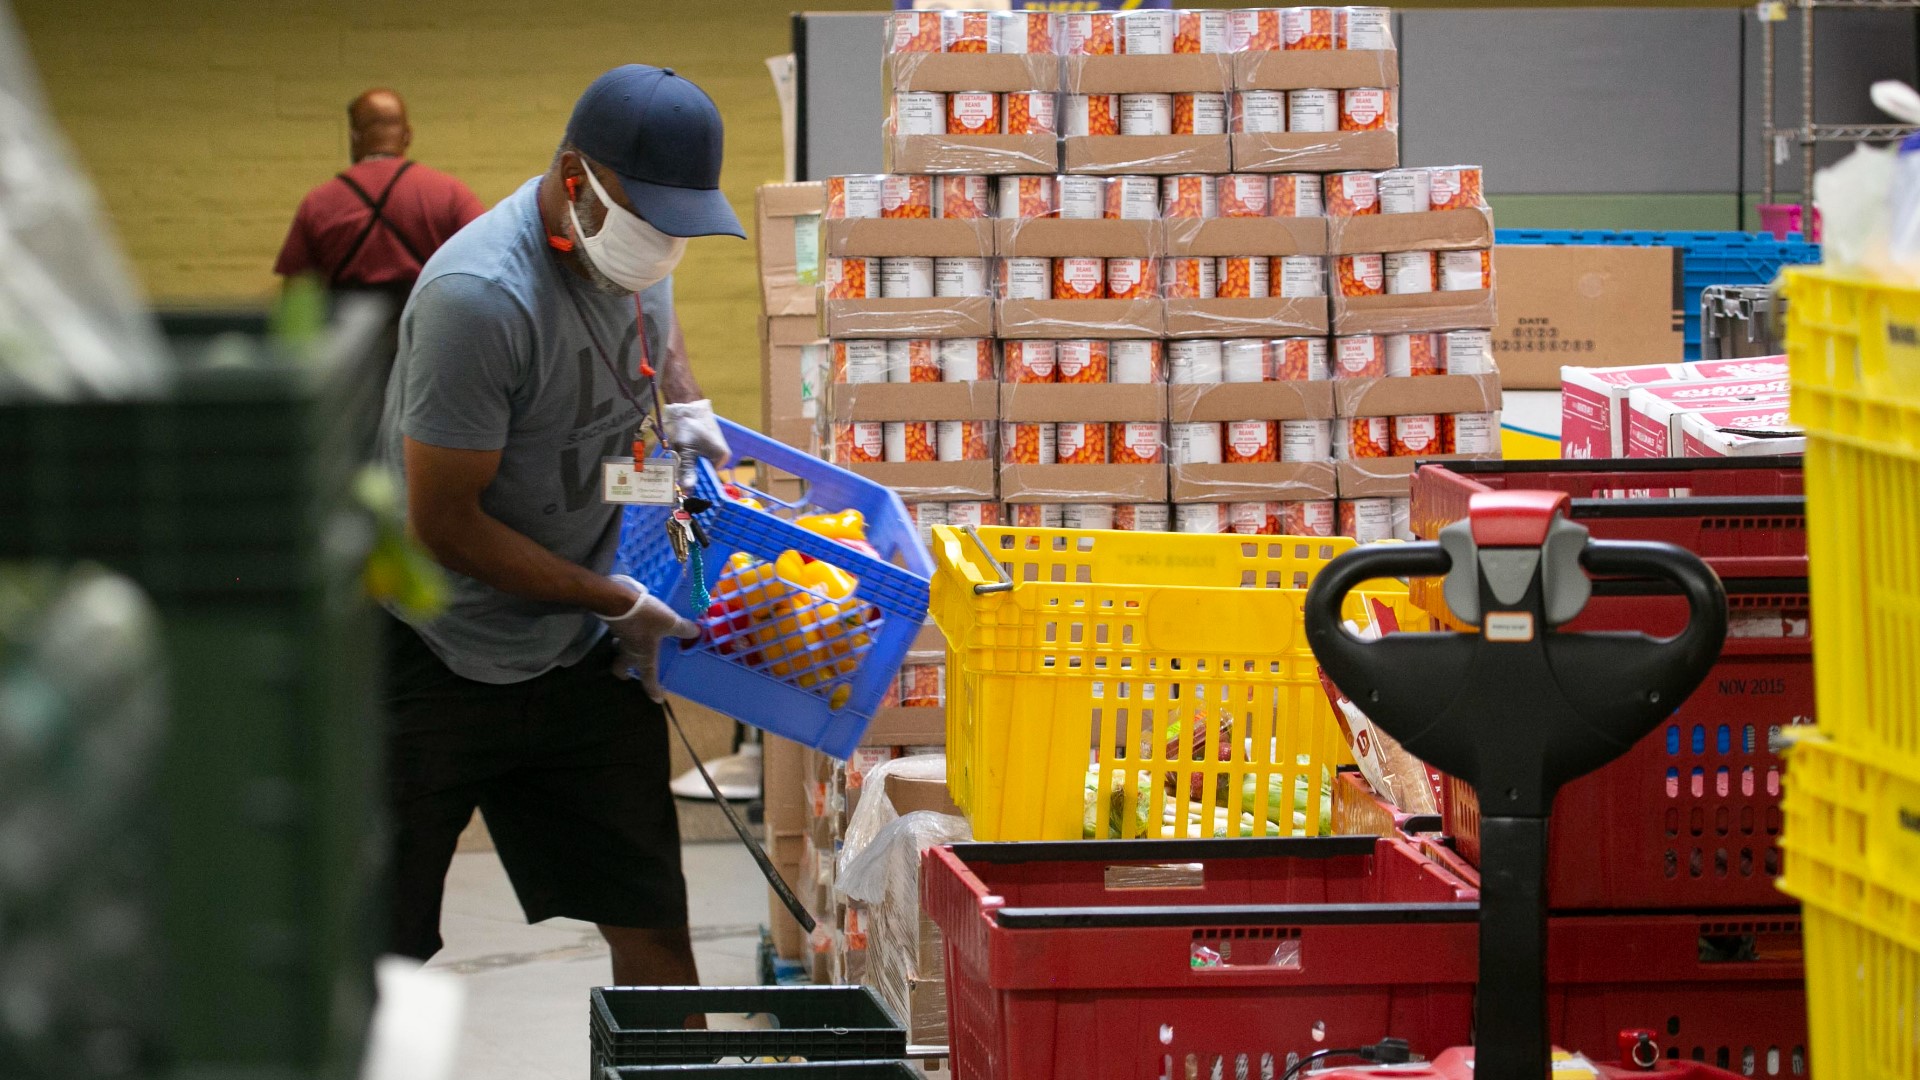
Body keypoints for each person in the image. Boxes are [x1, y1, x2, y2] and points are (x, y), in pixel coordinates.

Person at [375, 65, 744, 984]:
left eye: (678, 226)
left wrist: (689, 412)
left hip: (580, 650)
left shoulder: (634, 253)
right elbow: (442, 524)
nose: (663, 246)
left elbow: (653, 332)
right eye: (648, 219)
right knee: (380, 950)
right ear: (577, 181)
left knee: (653, 924)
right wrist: (616, 600)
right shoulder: (480, 299)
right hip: (435, 652)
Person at [274, 88, 485, 303]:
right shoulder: (451, 193)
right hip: (425, 329)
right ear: (408, 135)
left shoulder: (318, 202)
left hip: (351, 332)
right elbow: (485, 261)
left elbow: (295, 295)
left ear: (353, 136)